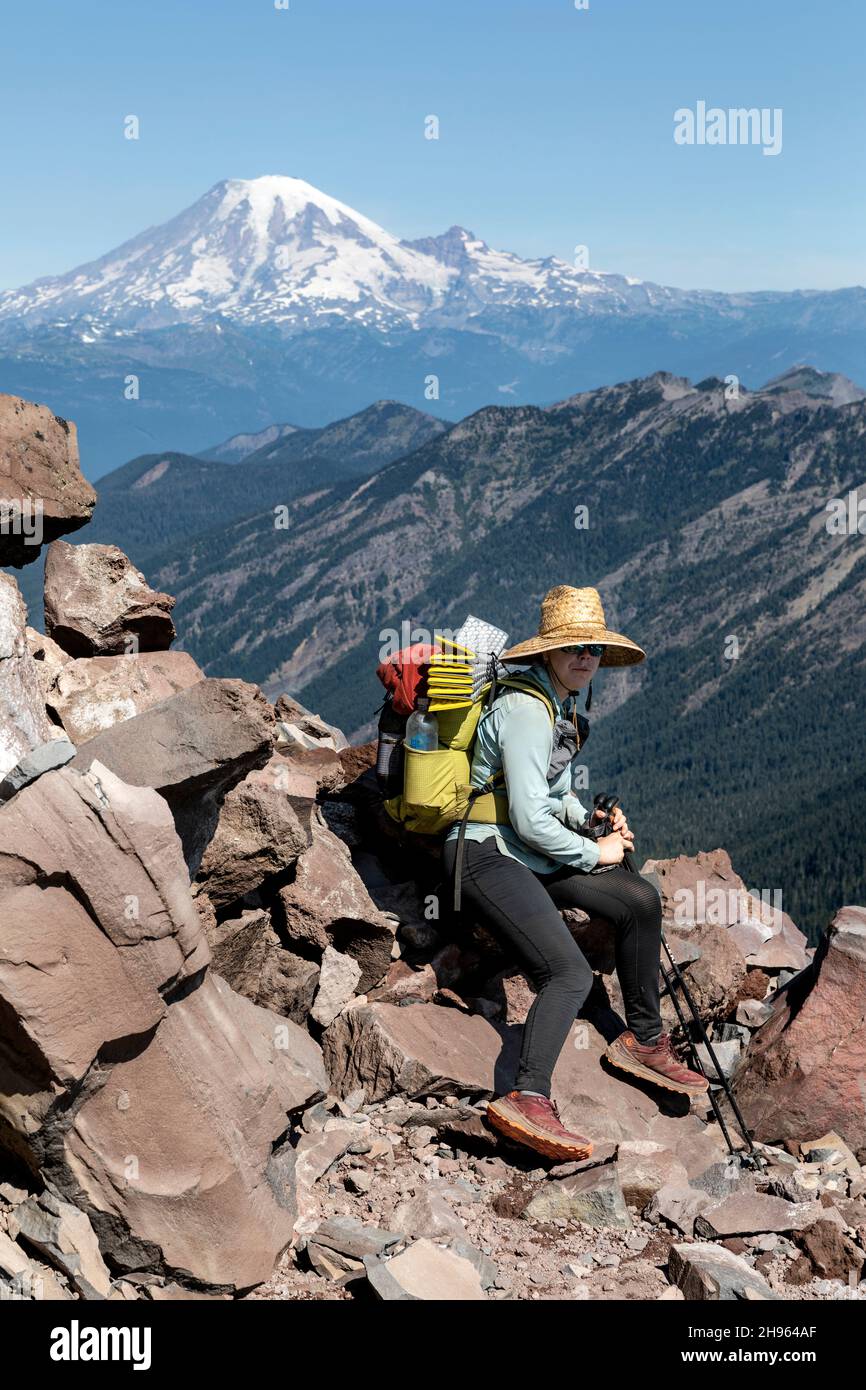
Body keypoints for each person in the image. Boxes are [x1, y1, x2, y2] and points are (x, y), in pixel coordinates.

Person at [441, 585, 708, 1162]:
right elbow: (530, 820)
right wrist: (597, 853)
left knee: (637, 900)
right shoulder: (527, 710)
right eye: (574, 648)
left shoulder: (555, 699)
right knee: (568, 972)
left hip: (522, 848)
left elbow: (547, 798)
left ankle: (642, 1040)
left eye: (592, 649)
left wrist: (588, 819)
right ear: (549, 652)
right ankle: (527, 1095)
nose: (586, 658)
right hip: (483, 853)